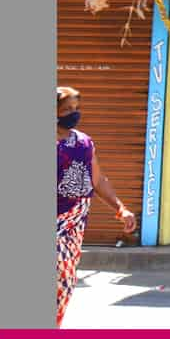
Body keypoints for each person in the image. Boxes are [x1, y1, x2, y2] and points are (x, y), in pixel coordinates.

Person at [57, 87, 137, 326]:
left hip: (74, 222)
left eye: (75, 109)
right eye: (66, 109)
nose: (73, 114)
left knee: (65, 279)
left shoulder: (83, 142)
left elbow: (98, 180)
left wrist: (120, 208)